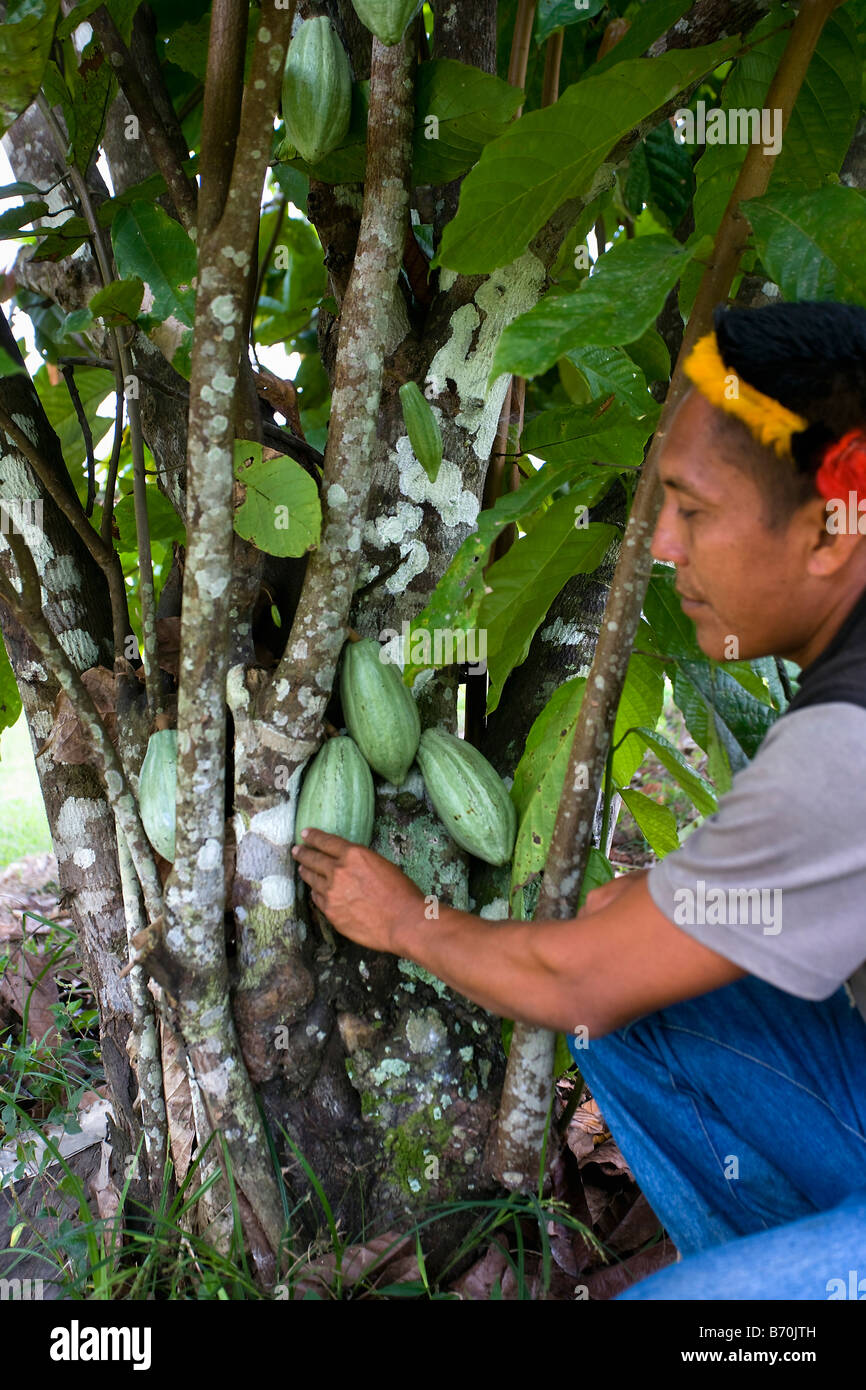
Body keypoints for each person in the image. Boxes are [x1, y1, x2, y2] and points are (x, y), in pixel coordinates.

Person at [292, 300, 866, 1300]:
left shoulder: (842, 748)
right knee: (638, 996)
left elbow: (572, 980)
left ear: (826, 526)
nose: (662, 549)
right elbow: (606, 972)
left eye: (690, 510)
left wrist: (401, 919)